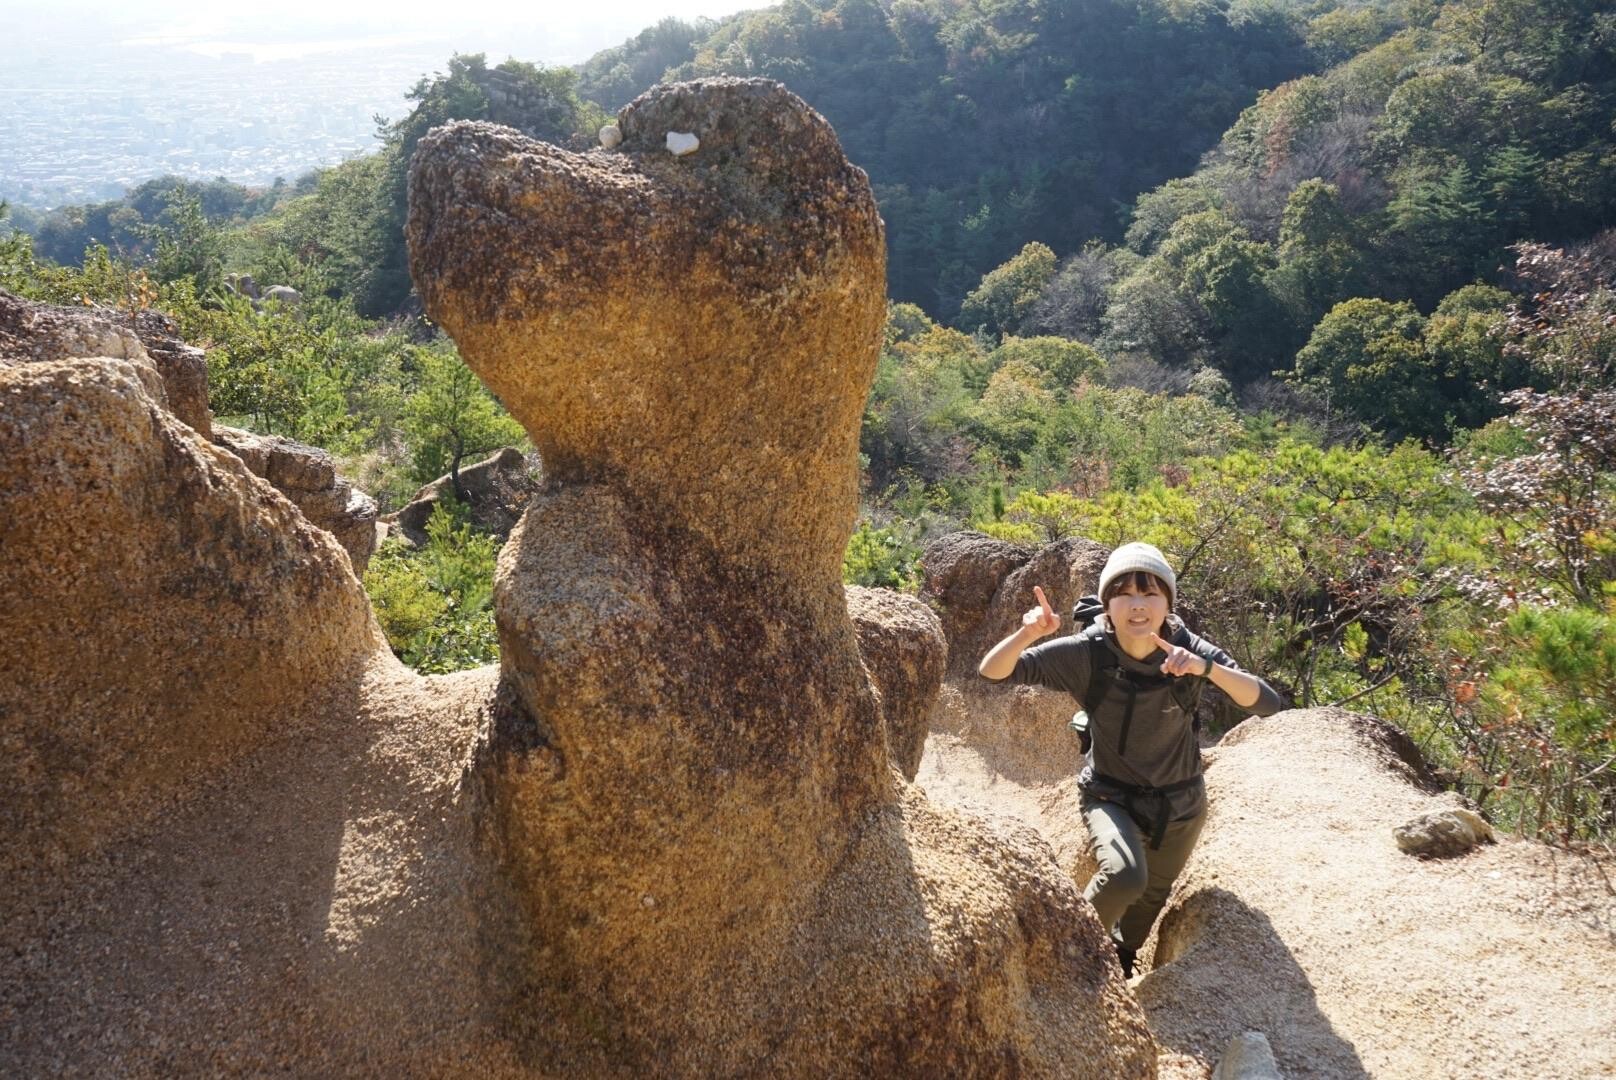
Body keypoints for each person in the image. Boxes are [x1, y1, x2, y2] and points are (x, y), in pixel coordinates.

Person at [977, 542, 1282, 979]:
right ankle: (1069, 953)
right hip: (1110, 794)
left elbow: (1267, 703)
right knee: (1125, 876)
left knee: (1153, 893)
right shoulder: (1088, 653)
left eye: (1150, 593)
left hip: (1181, 803)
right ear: (1107, 603)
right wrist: (1028, 634)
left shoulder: (1189, 650)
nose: (1138, 606)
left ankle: (1119, 959)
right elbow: (993, 671)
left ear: (1167, 602)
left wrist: (1206, 669)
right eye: (1125, 594)